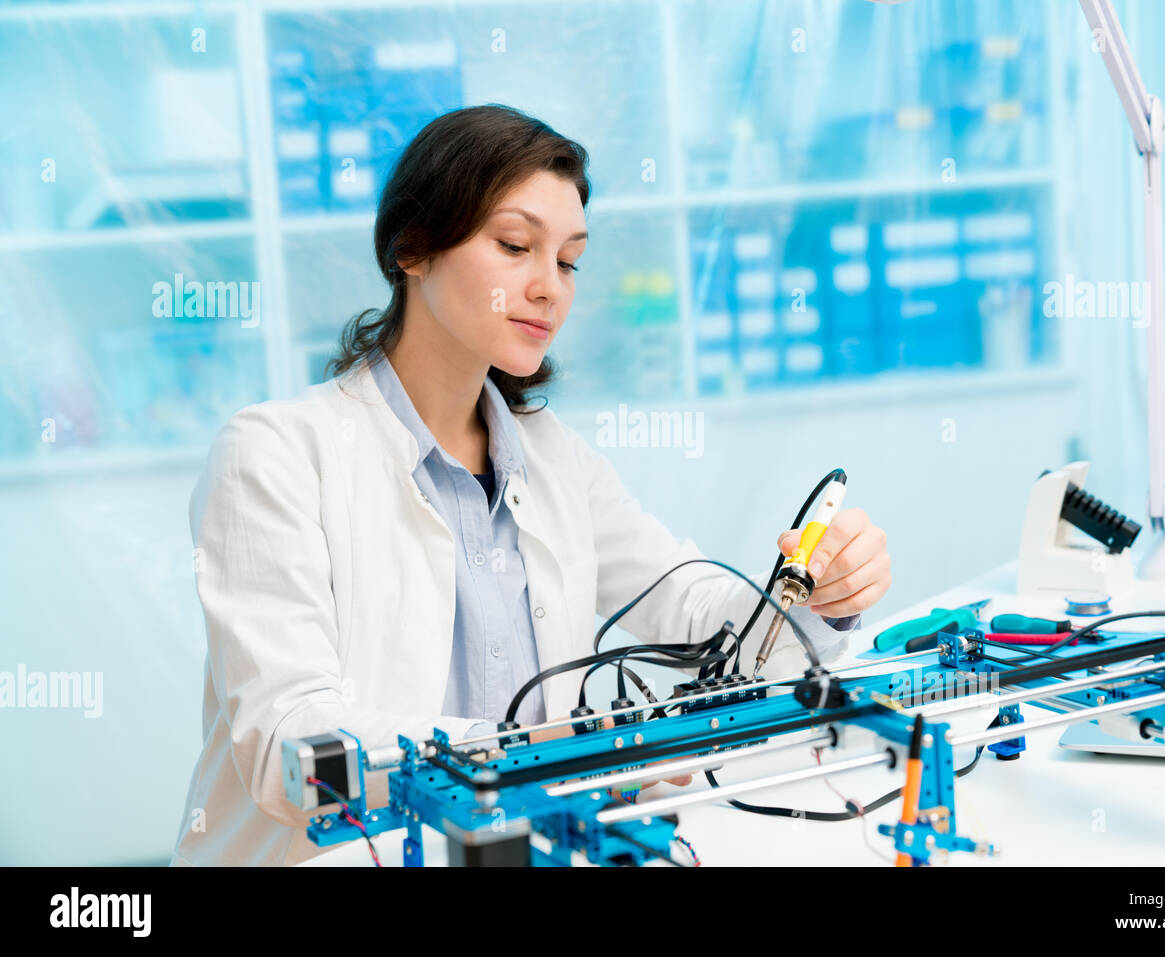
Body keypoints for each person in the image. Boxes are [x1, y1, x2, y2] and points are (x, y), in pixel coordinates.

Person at [171, 104, 891, 866]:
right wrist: (547, 753)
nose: (550, 288)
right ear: (413, 246)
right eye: (515, 245)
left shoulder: (552, 458)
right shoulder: (275, 455)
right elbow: (293, 750)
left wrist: (815, 593)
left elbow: (694, 604)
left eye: (570, 260)